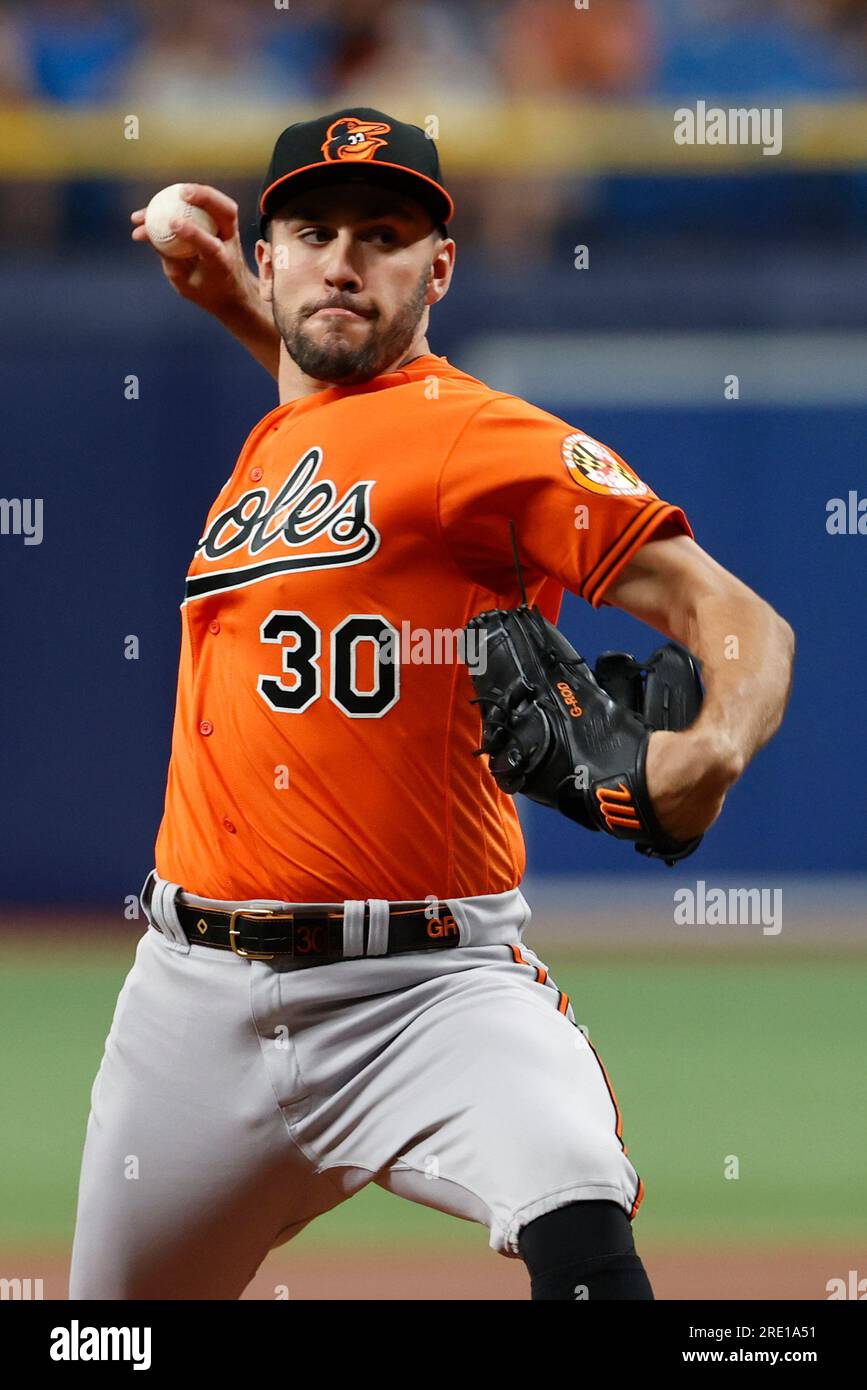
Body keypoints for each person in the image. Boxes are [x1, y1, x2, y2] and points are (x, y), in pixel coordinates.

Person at [69, 108, 794, 1301]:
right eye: (311, 231)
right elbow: (344, 407)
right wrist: (216, 294)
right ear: (270, 256)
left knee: (579, 1210)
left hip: (429, 989)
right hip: (189, 1001)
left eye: (385, 234)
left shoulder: (483, 440)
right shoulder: (290, 433)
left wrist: (709, 750)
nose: (344, 259)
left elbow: (742, 621)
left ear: (439, 268)